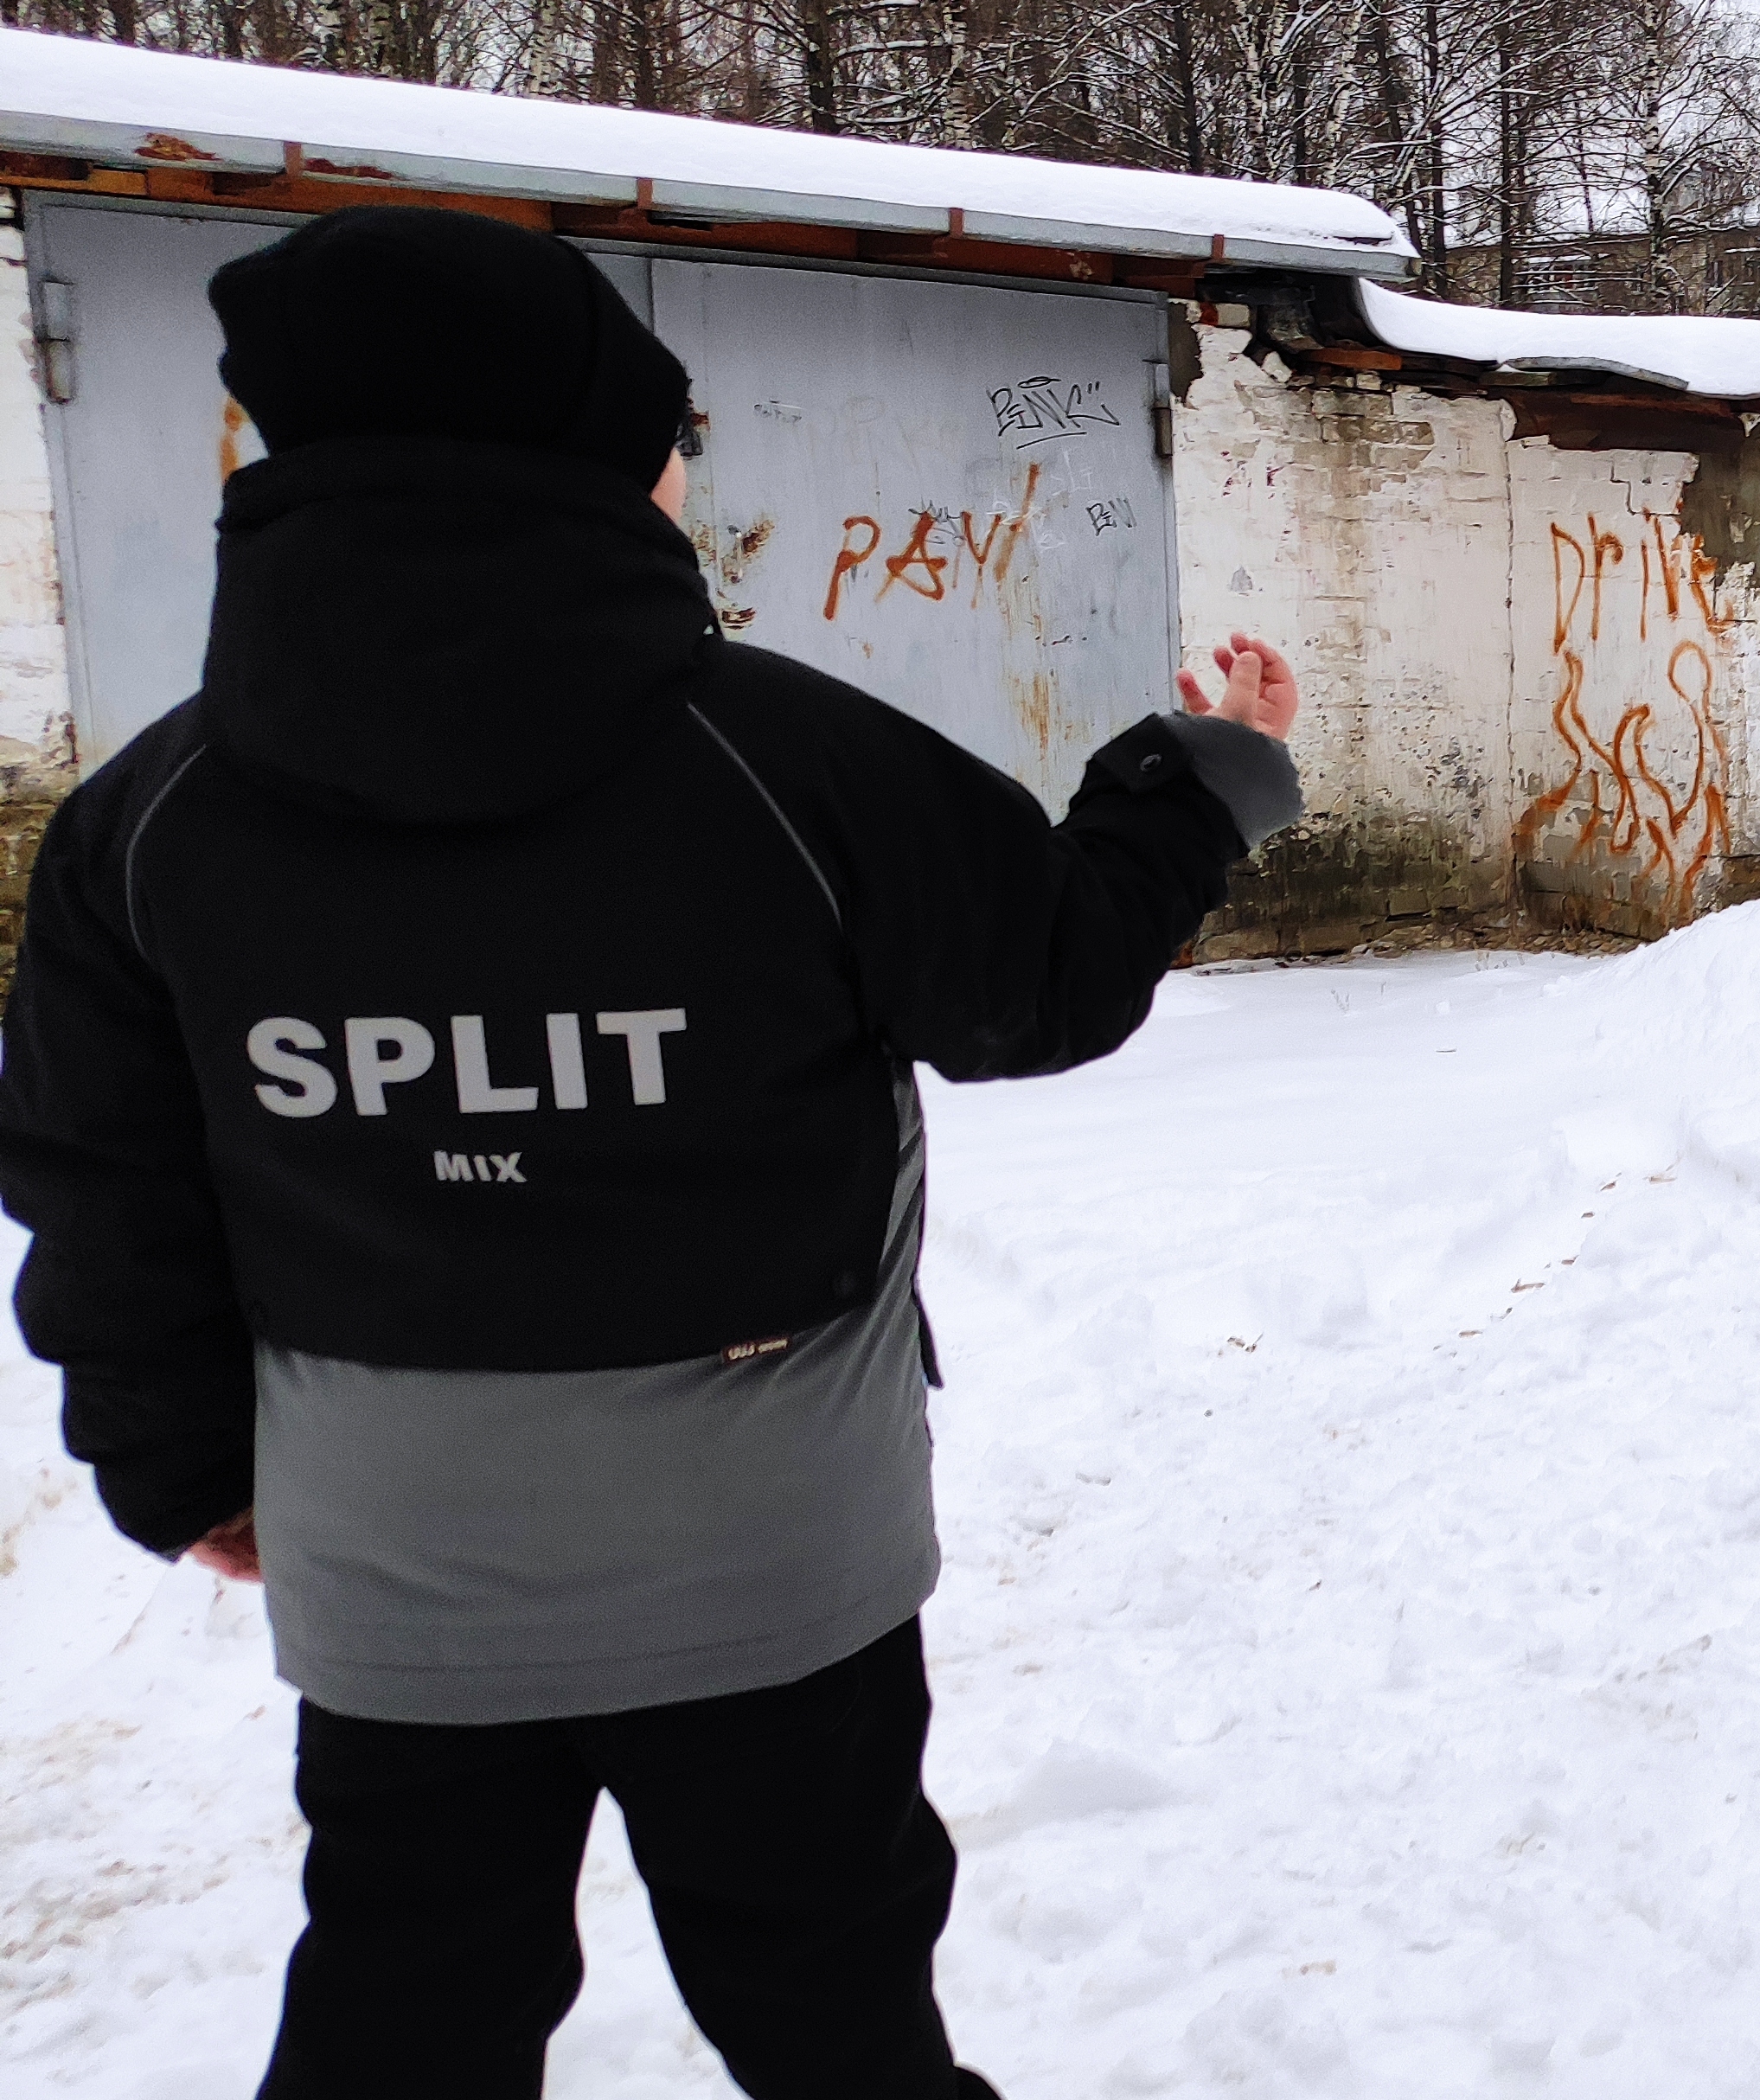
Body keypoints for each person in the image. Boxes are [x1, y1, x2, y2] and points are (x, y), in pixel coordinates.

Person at [0, 207, 1307, 2097]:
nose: (690, 470)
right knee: (837, 2014)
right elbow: (1045, 976)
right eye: (672, 431)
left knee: (404, 2008)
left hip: (394, 1578)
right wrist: (1205, 768)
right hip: (774, 1575)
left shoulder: (152, 821)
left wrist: (183, 1460)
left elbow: (101, 1182)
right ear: (593, 452)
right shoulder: (787, 766)